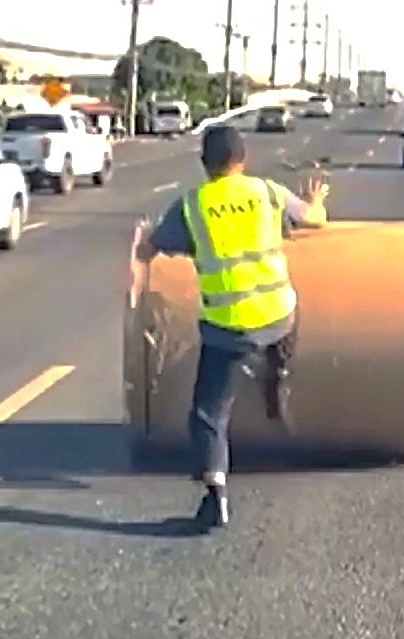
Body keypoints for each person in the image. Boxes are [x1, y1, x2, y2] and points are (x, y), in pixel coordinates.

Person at [129, 124, 329, 529]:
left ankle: (215, 494)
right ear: (244, 159)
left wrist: (146, 237)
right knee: (283, 329)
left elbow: (149, 251)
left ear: (204, 164)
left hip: (229, 330)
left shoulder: (192, 206)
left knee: (209, 413)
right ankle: (277, 378)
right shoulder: (267, 192)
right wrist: (316, 200)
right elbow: (315, 219)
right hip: (280, 313)